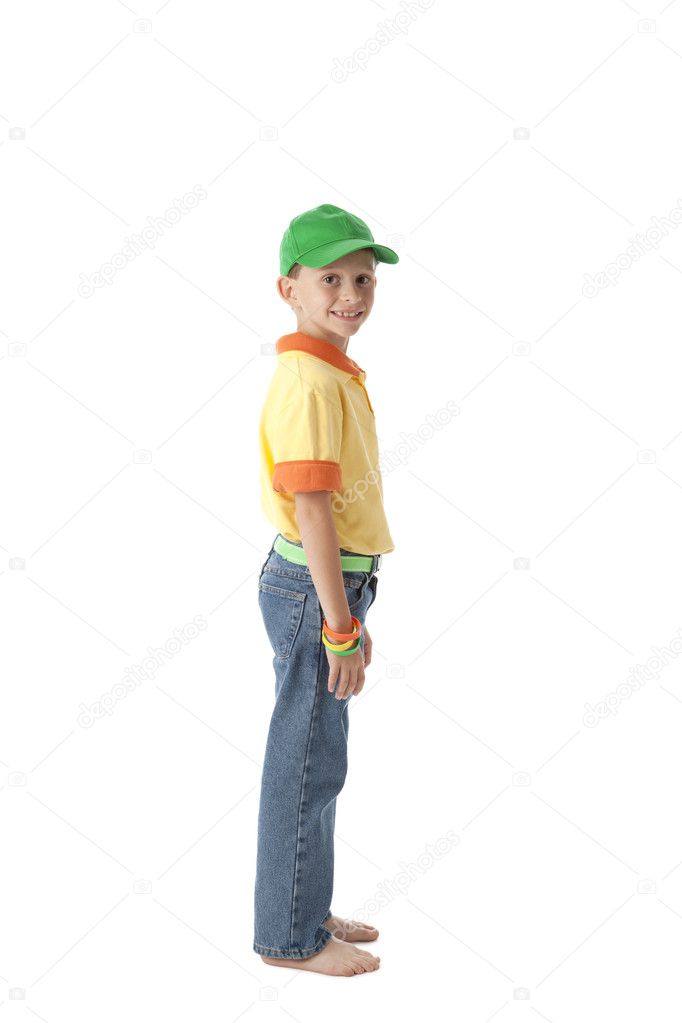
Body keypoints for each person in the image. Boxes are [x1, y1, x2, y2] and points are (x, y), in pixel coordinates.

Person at [254, 203, 399, 977]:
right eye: (331, 278)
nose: (352, 293)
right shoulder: (309, 381)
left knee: (320, 757)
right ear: (290, 288)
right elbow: (311, 506)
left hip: (333, 583)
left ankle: (303, 903)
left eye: (363, 278)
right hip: (317, 587)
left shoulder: (330, 368)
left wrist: (350, 605)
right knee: (305, 762)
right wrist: (339, 623)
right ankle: (290, 935)